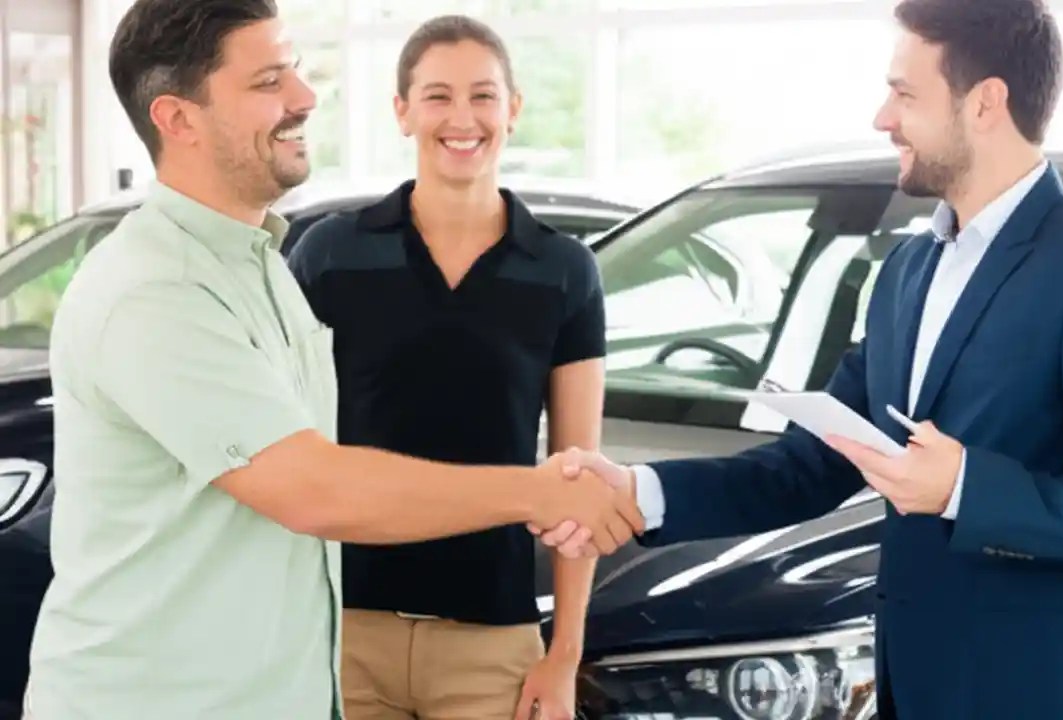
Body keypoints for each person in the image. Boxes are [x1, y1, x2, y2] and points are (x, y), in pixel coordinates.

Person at [538, 1, 1063, 718]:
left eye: (905, 93)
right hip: (912, 693)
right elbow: (807, 467)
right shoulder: (906, 271)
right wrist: (639, 492)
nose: (883, 118)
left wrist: (967, 488)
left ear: (986, 103)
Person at [24, 2, 640, 719]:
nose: (306, 98)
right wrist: (541, 493)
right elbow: (313, 487)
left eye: (296, 72)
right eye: (267, 81)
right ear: (179, 120)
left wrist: (564, 643)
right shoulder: (155, 292)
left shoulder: (263, 270)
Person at [285, 15, 604, 720]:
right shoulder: (328, 254)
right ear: (402, 112)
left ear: (512, 110)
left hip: (492, 645)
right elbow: (284, 451)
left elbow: (579, 474)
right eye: (437, 96)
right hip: (342, 629)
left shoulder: (564, 272)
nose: (462, 118)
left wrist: (565, 654)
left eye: (484, 96)